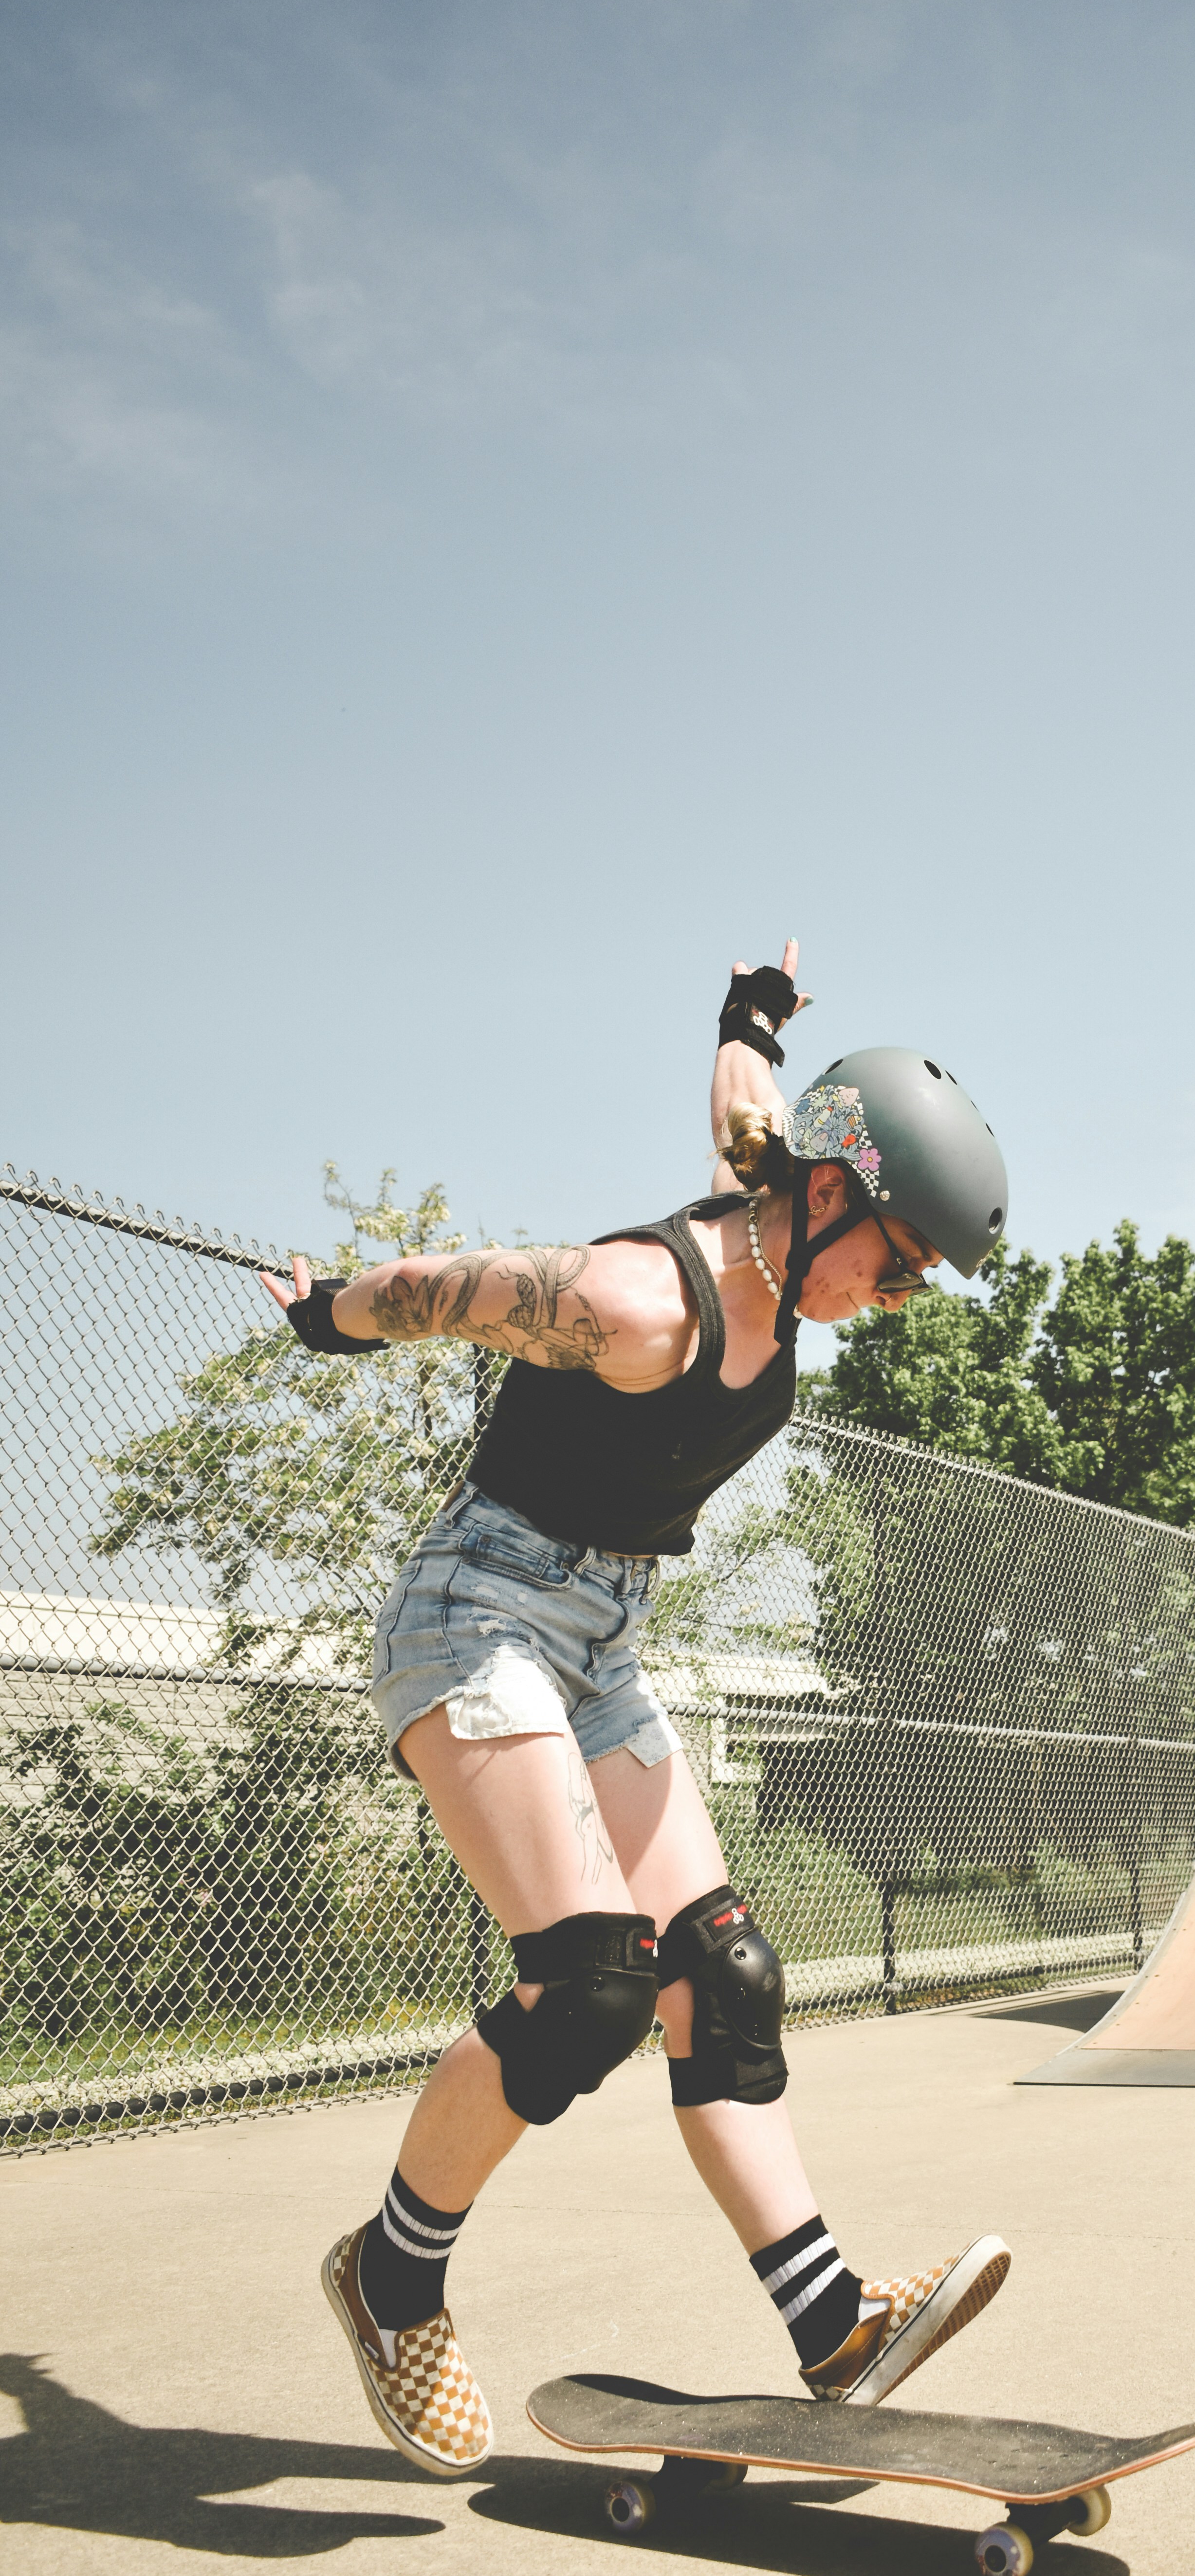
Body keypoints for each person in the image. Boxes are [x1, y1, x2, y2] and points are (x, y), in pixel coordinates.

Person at [260, 948, 1014, 2478]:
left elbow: (752, 1106)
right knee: (595, 1983)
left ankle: (832, 2330)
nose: (892, 1295)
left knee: (721, 1972)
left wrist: (749, 1015)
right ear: (825, 1200)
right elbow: (439, 1293)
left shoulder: (778, 1180)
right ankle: (391, 2282)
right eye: (895, 1260)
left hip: (599, 1645)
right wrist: (331, 1315)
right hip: (474, 1613)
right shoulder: (630, 1302)